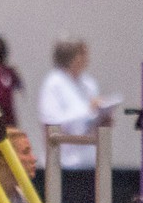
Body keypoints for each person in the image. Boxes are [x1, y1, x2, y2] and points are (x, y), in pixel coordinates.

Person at [37, 38, 112, 170]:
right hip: (62, 162)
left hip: (88, 160)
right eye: (82, 55)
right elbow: (51, 121)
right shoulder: (53, 83)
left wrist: (102, 118)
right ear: (72, 57)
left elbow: (90, 119)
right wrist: (88, 110)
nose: (86, 59)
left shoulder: (89, 83)